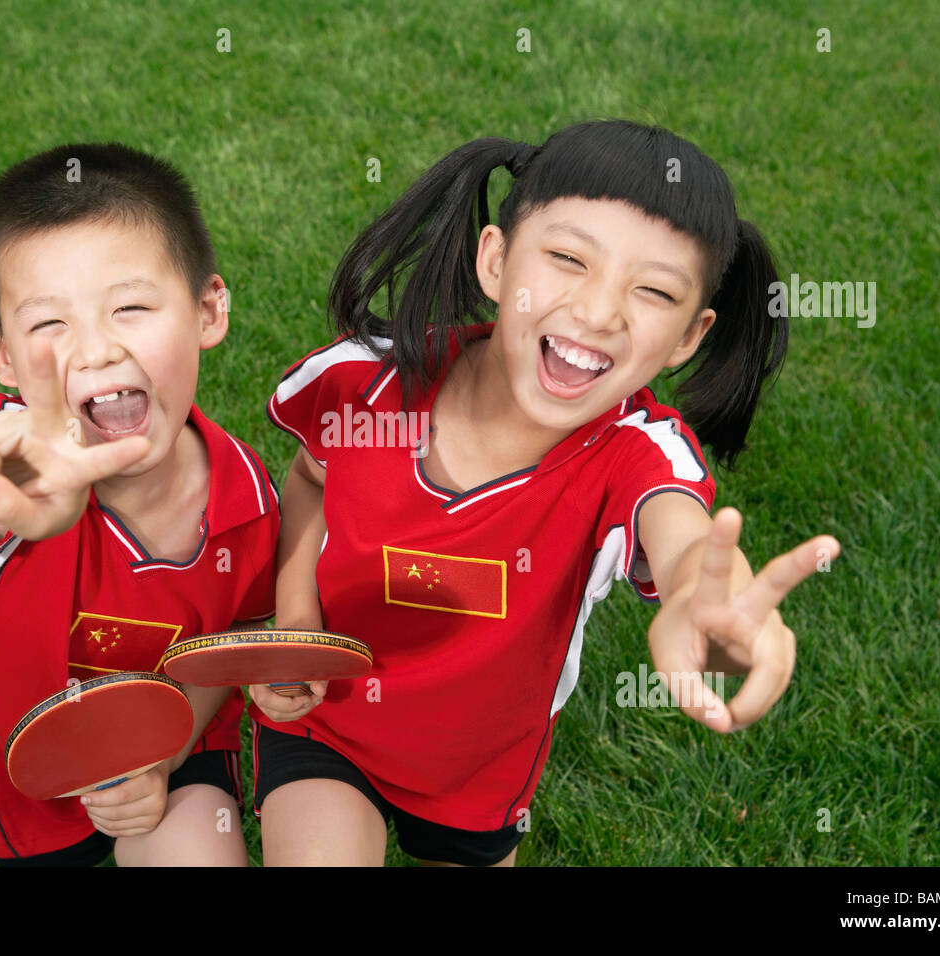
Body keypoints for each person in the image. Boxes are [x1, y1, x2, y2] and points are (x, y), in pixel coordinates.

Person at [251, 119, 841, 866]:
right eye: (567, 259)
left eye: (654, 291)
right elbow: (311, 477)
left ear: (690, 336)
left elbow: (685, 538)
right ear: (495, 261)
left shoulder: (637, 457)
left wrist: (702, 605)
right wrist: (296, 615)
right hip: (326, 722)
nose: (598, 312)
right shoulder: (365, 383)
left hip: (481, 771)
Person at [0, 143, 279, 866]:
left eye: (130, 306)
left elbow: (231, 643)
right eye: (48, 324)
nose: (92, 351)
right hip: (24, 771)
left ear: (208, 309)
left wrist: (161, 759)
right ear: (2, 353)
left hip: (177, 748)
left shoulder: (248, 495)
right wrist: (23, 503)